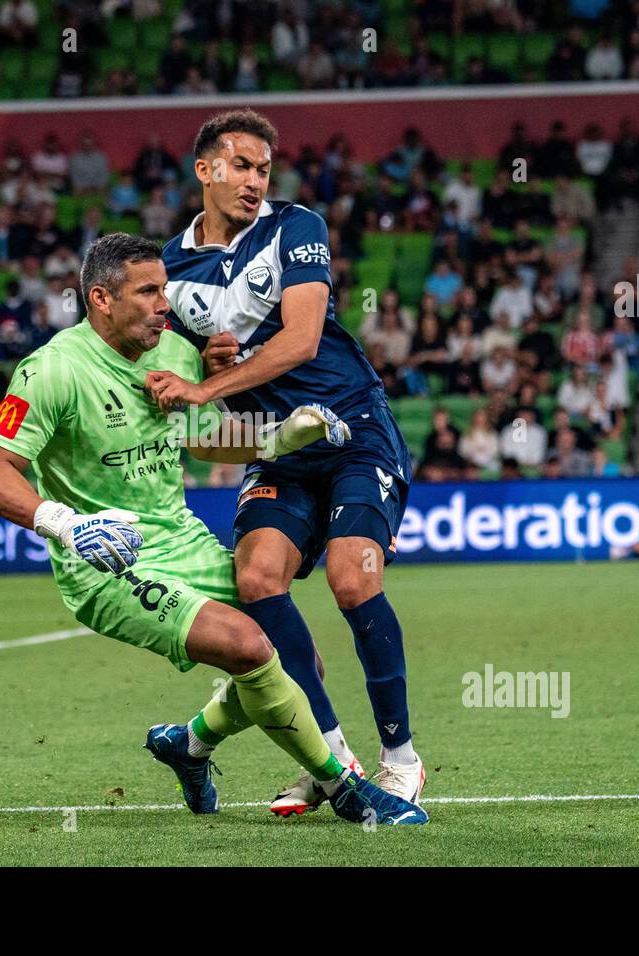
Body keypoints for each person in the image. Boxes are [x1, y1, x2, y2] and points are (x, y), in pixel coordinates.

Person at [0, 234, 425, 826]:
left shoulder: (177, 356)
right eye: (149, 291)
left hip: (180, 539)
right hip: (109, 562)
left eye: (165, 289)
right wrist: (64, 523)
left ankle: (189, 743)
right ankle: (346, 790)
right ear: (100, 298)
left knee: (298, 658)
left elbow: (201, 438)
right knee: (248, 645)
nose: (165, 303)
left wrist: (277, 438)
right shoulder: (53, 370)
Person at [150, 110, 425, 814]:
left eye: (263, 169)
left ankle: (402, 759)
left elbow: (302, 340)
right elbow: (180, 385)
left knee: (351, 577)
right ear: (204, 169)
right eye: (241, 165)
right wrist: (202, 367)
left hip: (351, 428)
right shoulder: (170, 272)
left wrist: (210, 382)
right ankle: (333, 759)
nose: (254, 180)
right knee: (257, 576)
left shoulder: (295, 227)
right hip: (276, 443)